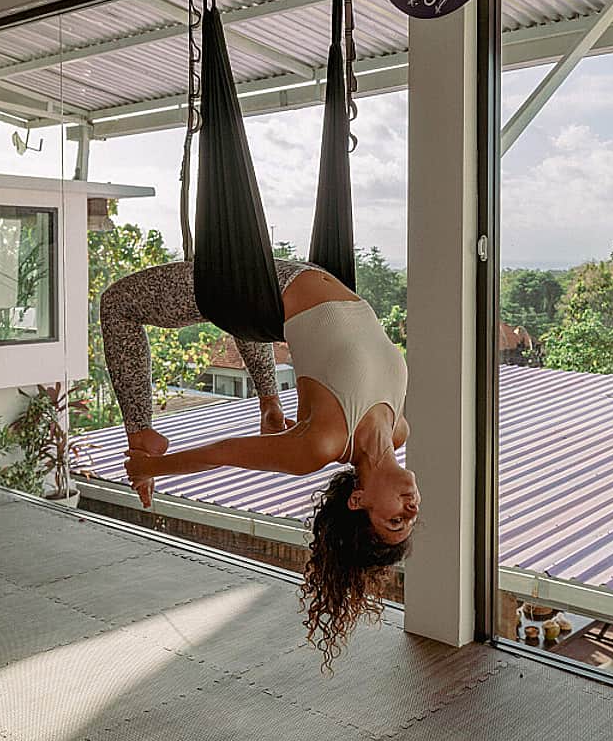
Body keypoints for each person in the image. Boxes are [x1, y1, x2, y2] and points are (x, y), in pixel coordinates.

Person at [101, 258, 418, 669]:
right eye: (412, 519)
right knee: (249, 317)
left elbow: (223, 452)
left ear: (357, 501)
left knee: (118, 305)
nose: (411, 509)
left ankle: (141, 431)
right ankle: (269, 400)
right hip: (287, 284)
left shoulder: (320, 446)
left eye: (396, 520)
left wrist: (150, 468)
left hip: (264, 285)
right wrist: (272, 404)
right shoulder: (398, 430)